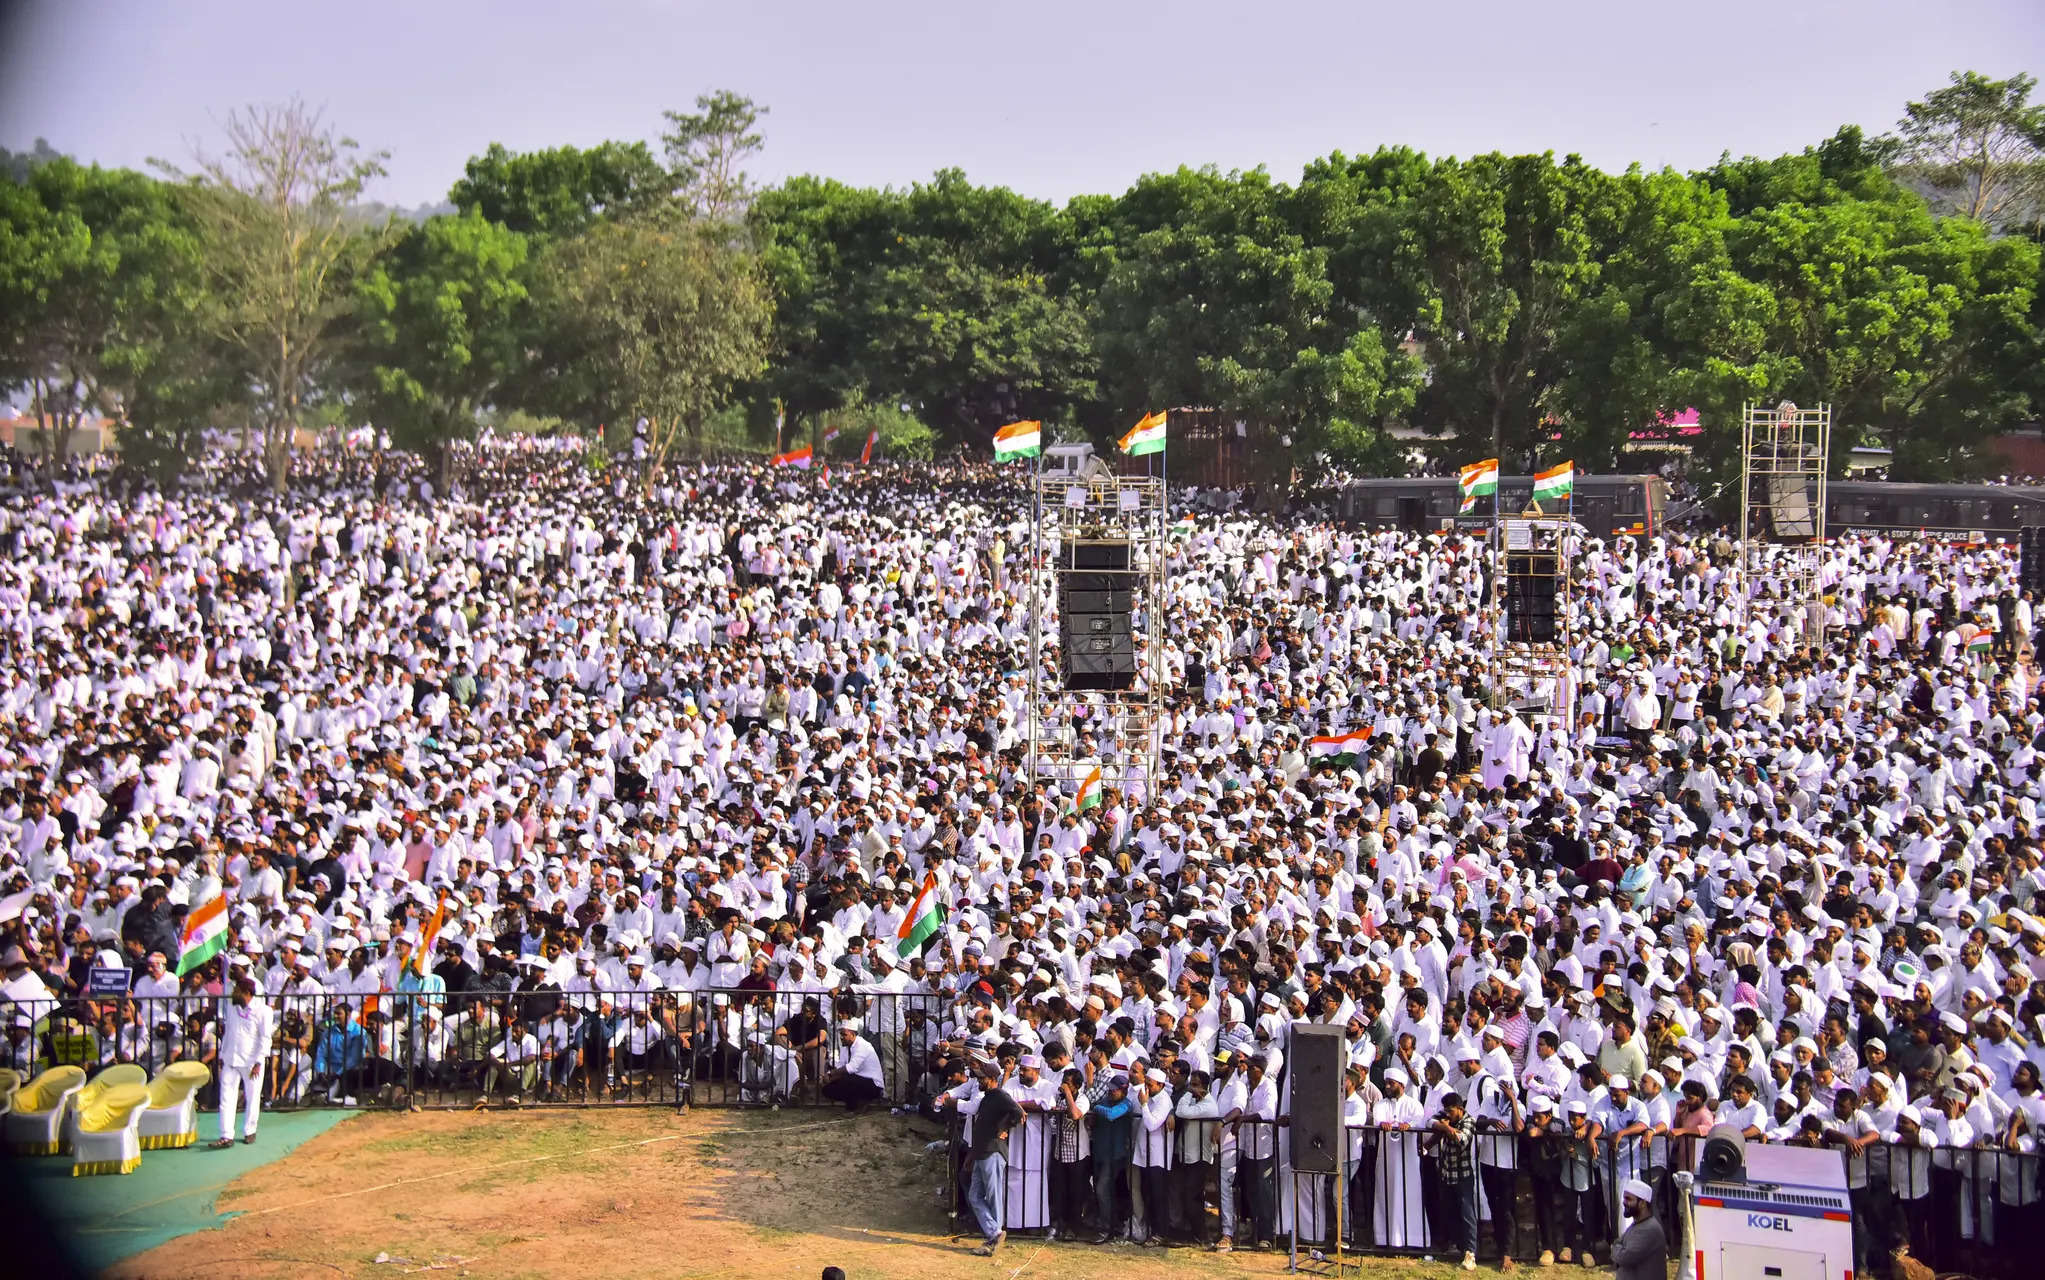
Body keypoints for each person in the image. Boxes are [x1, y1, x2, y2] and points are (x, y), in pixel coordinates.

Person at [964, 1061, 1022, 1257]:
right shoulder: (987, 1098)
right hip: (983, 1152)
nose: (978, 1080)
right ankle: (995, 1233)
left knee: (992, 1195)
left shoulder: (999, 1096)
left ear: (991, 1079)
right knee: (975, 1195)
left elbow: (1019, 1113)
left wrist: (1003, 1129)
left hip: (993, 1152)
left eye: (981, 1077)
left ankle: (993, 1237)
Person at [212, 975, 273, 1148]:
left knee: (252, 1096)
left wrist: (259, 1061)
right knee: (226, 1097)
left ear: (247, 992)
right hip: (231, 1058)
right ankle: (226, 1135)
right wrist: (223, 1055)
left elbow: (265, 1038)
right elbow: (228, 1031)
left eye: (237, 990)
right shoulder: (232, 1007)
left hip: (251, 1062)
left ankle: (249, 1131)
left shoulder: (263, 1011)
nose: (233, 993)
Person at [821, 1023, 885, 1112]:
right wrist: (829, 1078)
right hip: (856, 1080)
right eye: (841, 1034)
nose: (841, 1037)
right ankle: (858, 1101)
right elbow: (841, 1066)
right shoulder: (845, 1046)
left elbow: (851, 1068)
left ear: (853, 1035)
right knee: (827, 1090)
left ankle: (858, 1104)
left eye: (844, 1035)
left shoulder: (863, 1045)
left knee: (847, 1079)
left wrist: (831, 1074)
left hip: (872, 1084)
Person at [1609, 1178, 1665, 1280]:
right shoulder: (1638, 1224)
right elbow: (1618, 1243)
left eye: (1628, 1199)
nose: (1624, 1202)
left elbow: (1624, 1258)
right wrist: (1618, 1248)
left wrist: (1615, 1249)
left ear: (1642, 1203)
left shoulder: (1649, 1229)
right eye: (1624, 1198)